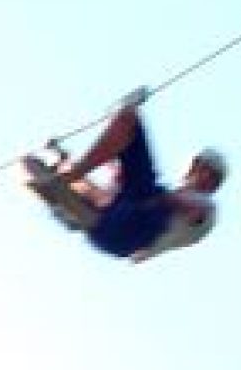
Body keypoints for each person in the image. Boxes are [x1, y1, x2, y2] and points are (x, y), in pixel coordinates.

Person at [21, 88, 226, 263]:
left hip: (137, 227)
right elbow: (118, 169)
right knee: (31, 164)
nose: (196, 172)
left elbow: (194, 212)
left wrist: (164, 198)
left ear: (213, 181)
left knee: (130, 122)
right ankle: (63, 189)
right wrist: (63, 155)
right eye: (197, 167)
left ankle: (68, 182)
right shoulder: (166, 199)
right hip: (111, 233)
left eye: (204, 170)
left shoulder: (207, 207)